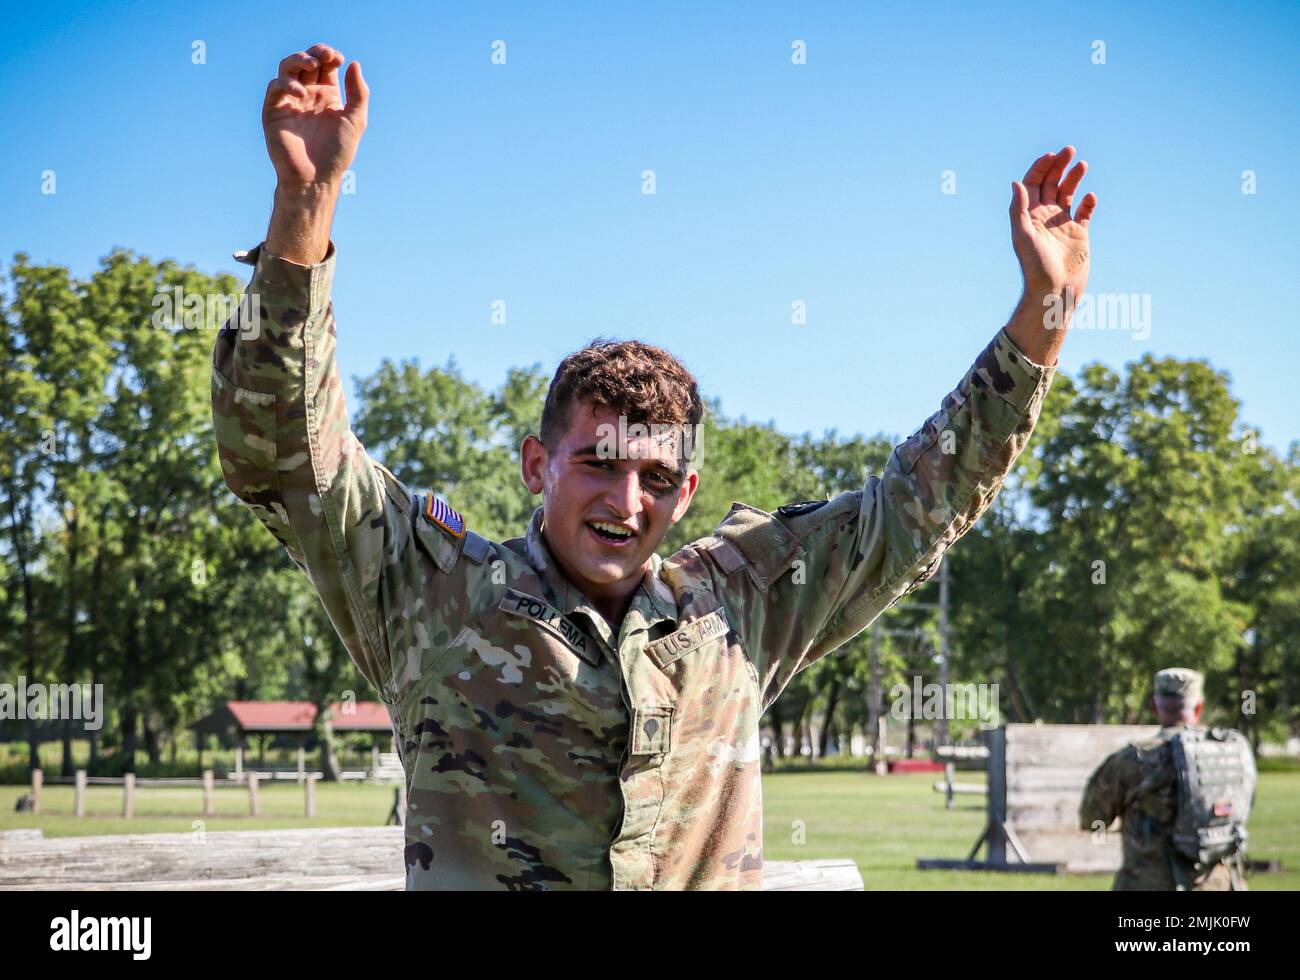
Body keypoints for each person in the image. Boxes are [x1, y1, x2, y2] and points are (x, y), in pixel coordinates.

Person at [212, 43, 1096, 890]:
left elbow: (918, 504)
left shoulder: (743, 604)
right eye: (597, 463)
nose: (626, 502)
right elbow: (290, 455)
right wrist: (308, 204)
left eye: (658, 478)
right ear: (536, 465)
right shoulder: (433, 591)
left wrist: (1043, 311)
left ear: (688, 493)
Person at [1080, 668, 1257, 891]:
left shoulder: (1135, 759)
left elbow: (1092, 817)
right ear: (1199, 707)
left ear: (1154, 706)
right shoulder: (1233, 752)